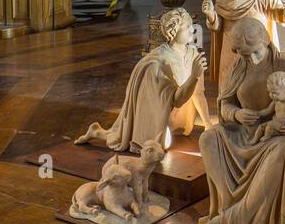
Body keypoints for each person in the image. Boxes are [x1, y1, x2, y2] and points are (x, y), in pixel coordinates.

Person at [199, 17, 285, 224]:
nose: (252, 59)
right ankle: (228, 204)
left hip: (281, 135)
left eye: (256, 52)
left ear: (265, 42)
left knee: (283, 150)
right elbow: (224, 104)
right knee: (209, 138)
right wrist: (236, 114)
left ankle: (238, 217)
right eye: (245, 54)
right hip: (244, 133)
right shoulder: (238, 67)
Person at [76, 8, 208, 151]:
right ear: (173, 31)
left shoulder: (193, 54)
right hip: (156, 117)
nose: (192, 30)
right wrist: (194, 76)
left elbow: (198, 93)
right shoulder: (158, 64)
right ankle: (97, 131)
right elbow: (176, 100)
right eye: (187, 27)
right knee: (150, 145)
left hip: (176, 119)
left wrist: (207, 123)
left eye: (192, 26)